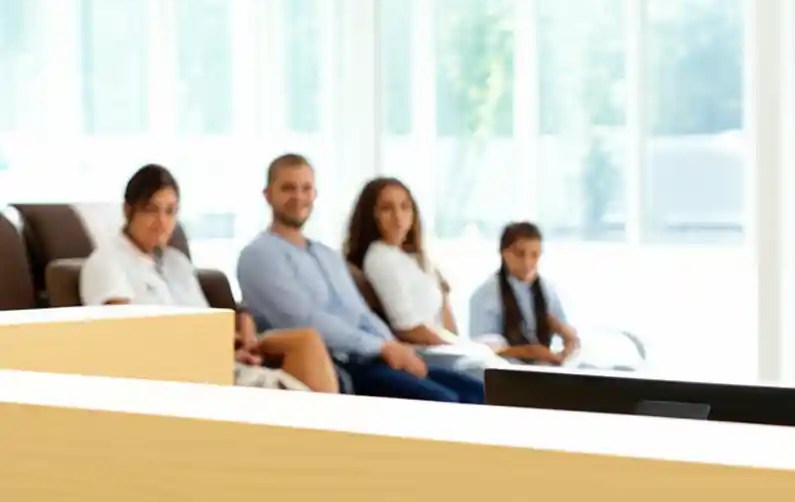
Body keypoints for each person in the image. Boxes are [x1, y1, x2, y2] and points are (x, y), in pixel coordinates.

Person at [236, 154, 484, 404]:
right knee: (447, 402)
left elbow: (360, 313)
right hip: (336, 366)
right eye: (288, 188)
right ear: (268, 195)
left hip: (374, 358)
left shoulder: (327, 254)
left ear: (315, 194)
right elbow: (303, 321)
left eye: (306, 188)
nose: (299, 196)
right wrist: (382, 348)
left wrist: (393, 346)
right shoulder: (259, 255)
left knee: (479, 391)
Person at [80, 164, 339, 393]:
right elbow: (128, 339)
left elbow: (204, 327)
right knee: (302, 402)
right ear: (128, 210)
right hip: (174, 381)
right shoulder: (106, 263)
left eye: (170, 211)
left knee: (306, 380)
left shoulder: (176, 263)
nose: (162, 222)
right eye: (151, 210)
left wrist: (234, 346)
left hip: (216, 370)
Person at [344, 177, 503, 377]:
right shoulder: (380, 258)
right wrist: (461, 346)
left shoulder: (409, 259)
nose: (398, 217)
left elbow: (442, 321)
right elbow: (407, 328)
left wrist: (463, 343)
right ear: (371, 215)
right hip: (422, 353)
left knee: (496, 349)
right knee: (492, 368)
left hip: (439, 347)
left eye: (405, 207)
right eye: (387, 208)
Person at [468, 222, 580, 366]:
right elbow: (481, 349)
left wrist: (567, 338)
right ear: (504, 253)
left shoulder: (548, 291)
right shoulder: (485, 295)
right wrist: (529, 352)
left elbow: (568, 334)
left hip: (544, 368)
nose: (528, 262)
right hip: (503, 370)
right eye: (520, 254)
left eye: (535, 255)